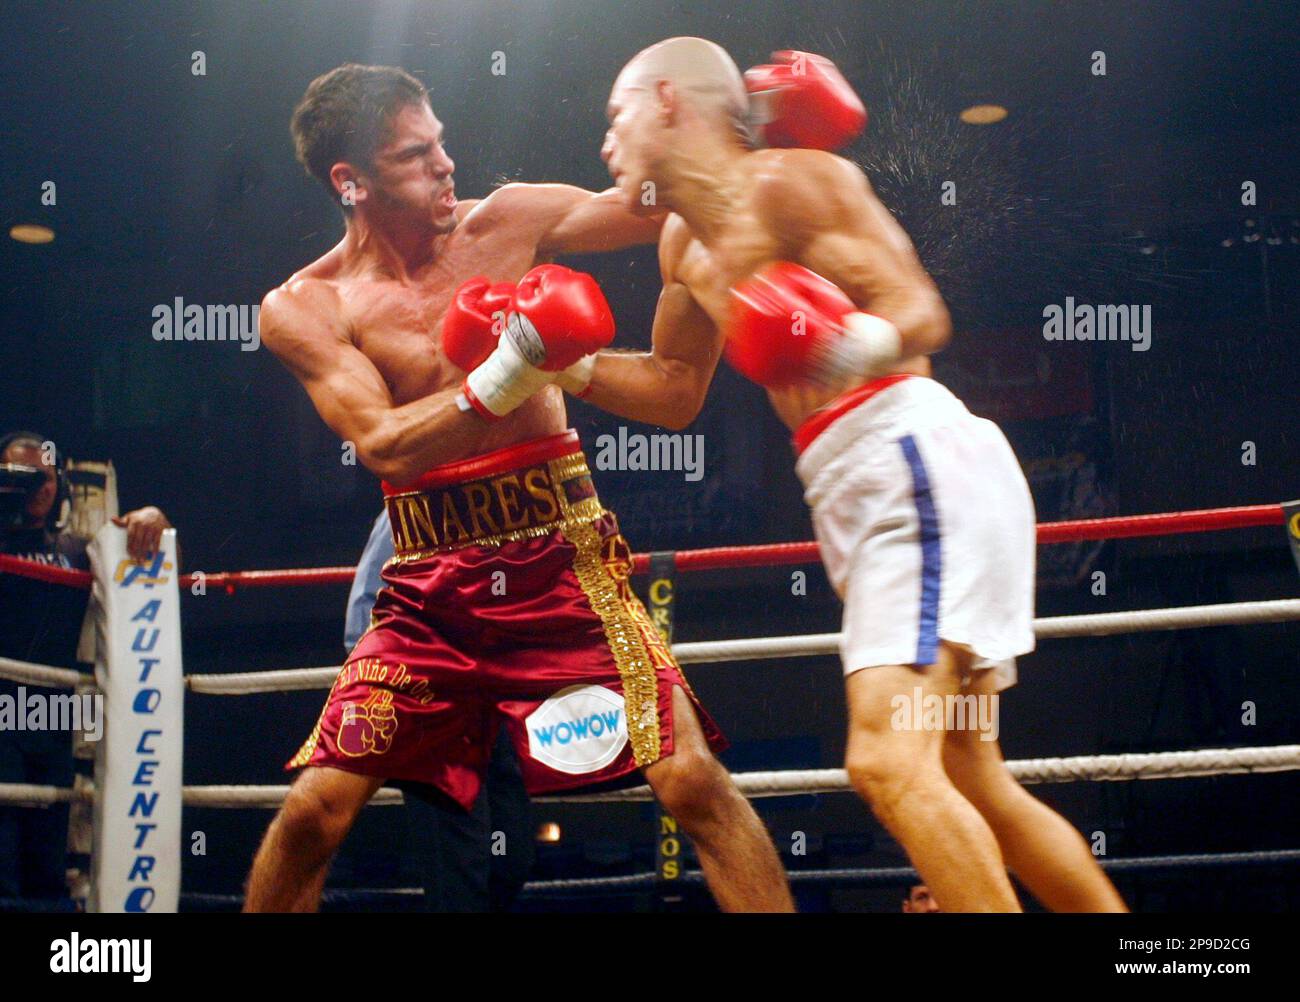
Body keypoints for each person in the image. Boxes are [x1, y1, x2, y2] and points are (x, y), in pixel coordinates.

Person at [577, 37, 1127, 912]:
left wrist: (834, 343)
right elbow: (675, 388)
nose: (605, 138)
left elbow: (920, 310)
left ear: (671, 102)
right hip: (863, 490)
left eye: (617, 113)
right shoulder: (680, 245)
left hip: (909, 464)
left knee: (882, 762)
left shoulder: (797, 183)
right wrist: (563, 367)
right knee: (971, 777)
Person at [242, 64, 793, 912]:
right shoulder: (305, 306)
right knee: (315, 812)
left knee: (690, 781)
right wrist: (511, 367)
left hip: (561, 559)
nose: (446, 165)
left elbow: (661, 204)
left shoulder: (509, 219)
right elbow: (386, 447)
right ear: (349, 182)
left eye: (441, 142)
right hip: (426, 583)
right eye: (415, 155)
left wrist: (734, 130)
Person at [0, 430, 171, 901]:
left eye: (47, 475)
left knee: (46, 864)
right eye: (24, 473)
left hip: (53, 717)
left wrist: (150, 517)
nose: (39, 484)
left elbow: (141, 554)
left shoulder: (76, 549)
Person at [345, 511, 533, 911]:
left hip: (494, 702)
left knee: (511, 855)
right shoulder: (415, 498)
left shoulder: (511, 500)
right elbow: (364, 603)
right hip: (428, 705)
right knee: (457, 869)